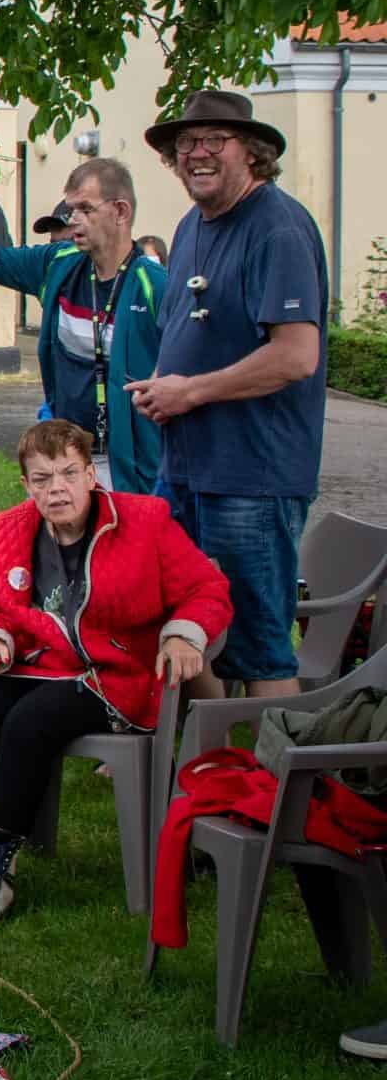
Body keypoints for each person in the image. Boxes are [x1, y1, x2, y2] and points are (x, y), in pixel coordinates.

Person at [0, 421, 229, 921]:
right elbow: (0, 610)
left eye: (69, 474)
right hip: (43, 666)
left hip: (118, 675)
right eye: (43, 479)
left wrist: (183, 632)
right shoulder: (7, 532)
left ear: (92, 476)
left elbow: (208, 587)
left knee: (30, 722)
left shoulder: (145, 521)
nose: (58, 489)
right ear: (27, 485)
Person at [127, 89, 328, 699]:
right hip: (187, 468)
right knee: (182, 621)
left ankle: (279, 789)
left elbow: (297, 355)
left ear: (255, 153)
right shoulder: (191, 226)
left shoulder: (279, 228)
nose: (197, 153)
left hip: (253, 475)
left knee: (258, 645)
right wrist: (165, 388)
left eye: (215, 140)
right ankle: (213, 763)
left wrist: (190, 392)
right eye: (186, 143)